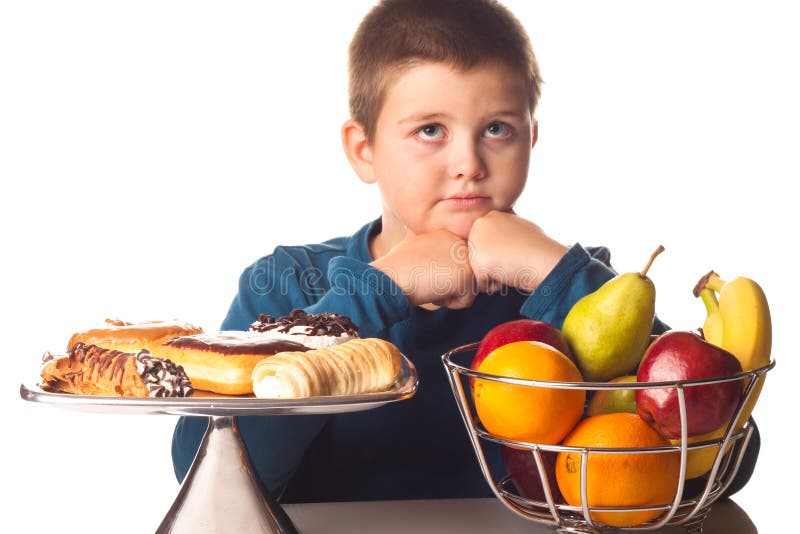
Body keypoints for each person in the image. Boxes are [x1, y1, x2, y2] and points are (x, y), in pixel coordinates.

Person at [171, 0, 758, 503]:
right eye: (430, 130)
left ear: (531, 137)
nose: (470, 164)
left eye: (497, 128)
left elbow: (728, 459)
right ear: (363, 149)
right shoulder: (289, 285)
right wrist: (379, 291)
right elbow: (203, 478)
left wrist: (557, 274)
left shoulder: (580, 289)